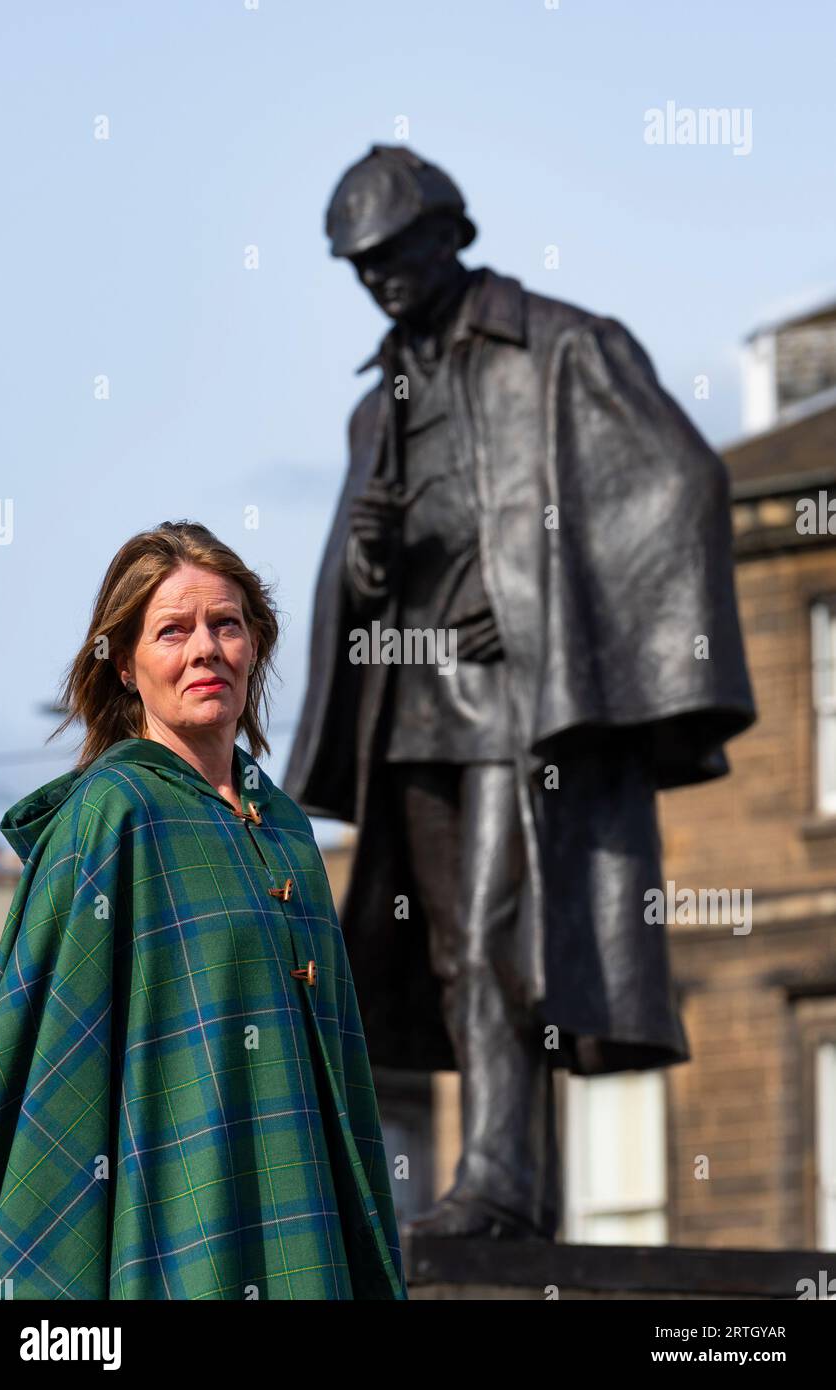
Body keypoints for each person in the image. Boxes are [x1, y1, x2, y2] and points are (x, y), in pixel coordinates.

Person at [284, 146, 756, 1239]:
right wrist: (364, 567)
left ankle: (497, 1180)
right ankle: (496, 1181)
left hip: (511, 694)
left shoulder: (558, 345)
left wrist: (545, 599)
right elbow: (362, 564)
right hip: (408, 695)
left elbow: (681, 487)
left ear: (451, 232)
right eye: (360, 267)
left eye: (394, 254)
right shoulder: (379, 401)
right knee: (447, 948)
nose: (380, 279)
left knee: (502, 928)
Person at [0, 519, 406, 1300]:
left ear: (255, 648)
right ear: (127, 667)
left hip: (309, 1236)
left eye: (227, 624)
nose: (206, 648)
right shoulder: (114, 813)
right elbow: (38, 1068)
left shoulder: (291, 831)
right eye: (172, 630)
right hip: (175, 1240)